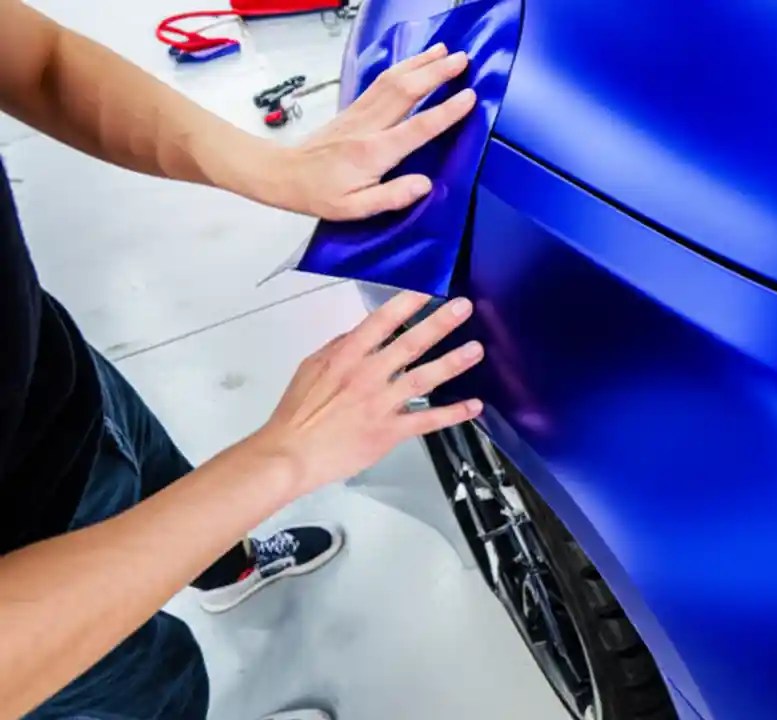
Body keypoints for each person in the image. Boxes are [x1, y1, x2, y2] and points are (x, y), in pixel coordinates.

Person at [0, 2, 488, 718]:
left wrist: (269, 166)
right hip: (35, 604)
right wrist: (277, 461)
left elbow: (33, 59)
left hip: (54, 376)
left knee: (153, 468)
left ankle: (228, 564)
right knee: (154, 691)